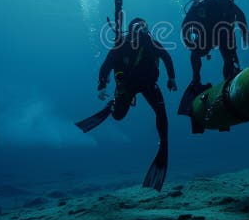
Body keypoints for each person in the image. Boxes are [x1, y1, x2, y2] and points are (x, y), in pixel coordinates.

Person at [75, 17, 176, 191]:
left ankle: (164, 142)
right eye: (137, 26)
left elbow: (166, 57)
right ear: (130, 30)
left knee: (161, 111)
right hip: (127, 86)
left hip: (149, 84)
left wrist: (171, 78)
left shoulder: (152, 42)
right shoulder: (122, 44)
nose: (140, 29)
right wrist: (101, 86)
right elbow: (106, 66)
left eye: (143, 26)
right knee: (119, 116)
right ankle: (112, 105)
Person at [178, 0, 249, 115]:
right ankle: (196, 80)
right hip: (205, 38)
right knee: (195, 53)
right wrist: (189, 41)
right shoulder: (197, 5)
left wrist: (245, 33)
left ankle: (229, 80)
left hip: (223, 36)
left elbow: (240, 14)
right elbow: (185, 25)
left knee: (228, 58)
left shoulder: (225, 1)